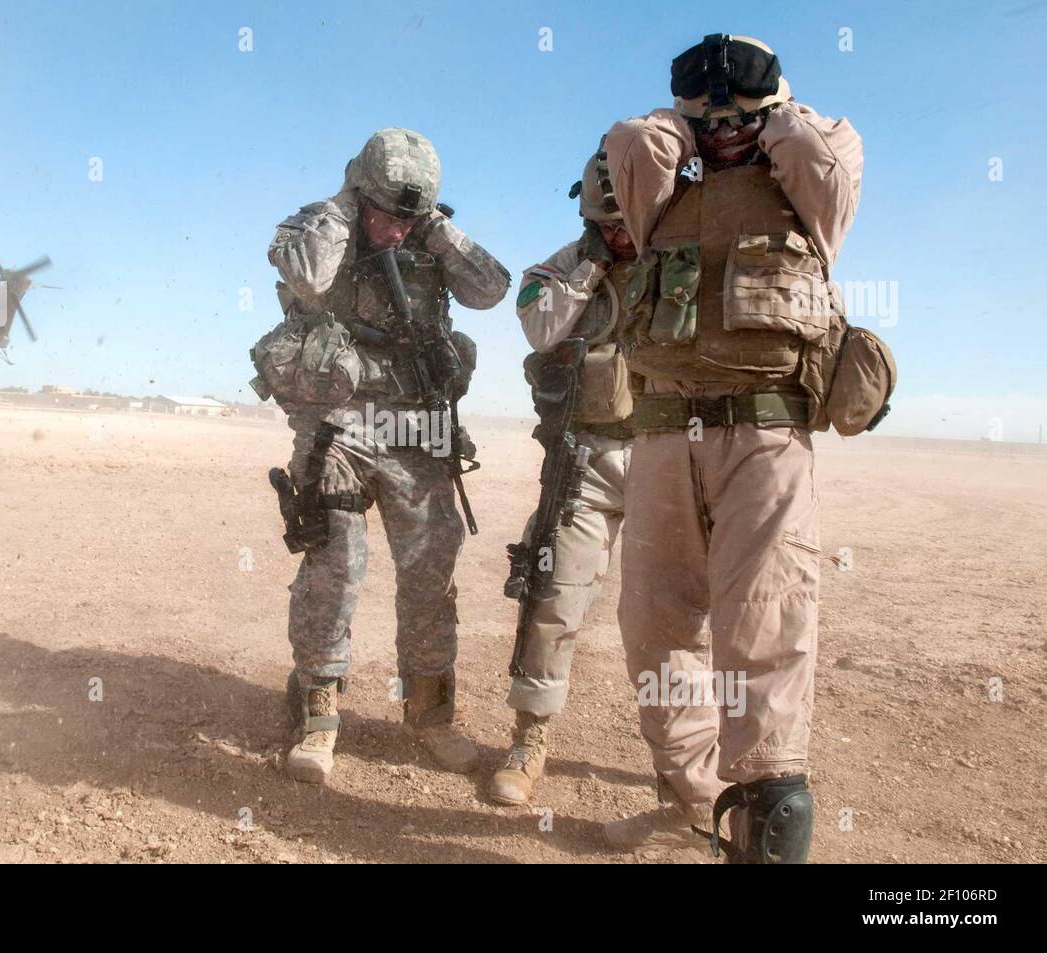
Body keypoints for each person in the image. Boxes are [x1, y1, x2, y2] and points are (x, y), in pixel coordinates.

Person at [599, 35, 864, 862]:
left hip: (765, 435)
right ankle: (693, 799)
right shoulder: (655, 191)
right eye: (704, 119)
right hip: (662, 436)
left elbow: (824, 160)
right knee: (656, 628)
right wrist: (687, 119)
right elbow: (634, 147)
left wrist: (772, 112)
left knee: (766, 631)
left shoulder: (812, 186)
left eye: (737, 116)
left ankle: (769, 827)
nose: (721, 132)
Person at [258, 127, 511, 784]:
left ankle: (429, 715)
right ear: (358, 188)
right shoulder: (319, 226)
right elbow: (307, 277)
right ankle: (318, 715)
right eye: (386, 213)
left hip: (418, 429)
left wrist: (434, 229)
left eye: (409, 216)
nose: (396, 230)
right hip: (338, 426)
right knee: (336, 567)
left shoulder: (428, 237)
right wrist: (347, 207)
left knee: (430, 574)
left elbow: (491, 289)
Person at [489, 149, 640, 806]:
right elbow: (539, 325)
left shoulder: (685, 260)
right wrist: (593, 267)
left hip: (673, 460)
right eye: (608, 224)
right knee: (555, 600)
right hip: (589, 463)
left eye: (631, 221)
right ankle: (530, 741)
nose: (622, 235)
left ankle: (694, 769)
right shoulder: (563, 267)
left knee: (686, 617)